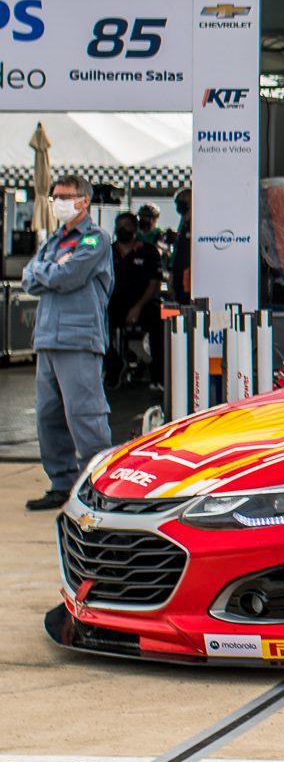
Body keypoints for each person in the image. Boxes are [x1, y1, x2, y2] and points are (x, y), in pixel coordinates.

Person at [23, 174, 116, 510]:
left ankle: (98, 486)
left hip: (78, 338)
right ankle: (61, 484)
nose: (59, 201)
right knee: (48, 417)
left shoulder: (95, 240)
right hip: (48, 338)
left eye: (66, 195)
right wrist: (49, 271)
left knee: (85, 415)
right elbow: (28, 276)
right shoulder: (52, 242)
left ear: (84, 201)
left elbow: (68, 276)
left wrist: (47, 272)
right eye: (55, 196)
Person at [107, 210, 164, 386]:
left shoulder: (148, 251)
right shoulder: (108, 252)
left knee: (159, 325)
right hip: (114, 305)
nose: (123, 229)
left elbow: (154, 283)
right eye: (120, 226)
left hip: (143, 304)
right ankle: (113, 367)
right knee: (97, 325)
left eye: (127, 226)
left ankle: (158, 376)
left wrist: (138, 307)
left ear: (135, 228)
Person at [167, 188, 193, 304]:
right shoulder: (183, 225)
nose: (181, 203)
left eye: (184, 200)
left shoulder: (196, 224)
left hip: (189, 279)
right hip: (179, 276)